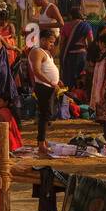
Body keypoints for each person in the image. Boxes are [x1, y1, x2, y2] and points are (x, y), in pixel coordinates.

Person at [27, 26, 60, 157]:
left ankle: (42, 140)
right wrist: (50, 82)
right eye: (50, 42)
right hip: (43, 87)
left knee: (48, 114)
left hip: (49, 87)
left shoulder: (45, 52)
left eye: (53, 42)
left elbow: (47, 69)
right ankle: (41, 143)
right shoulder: (37, 52)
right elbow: (37, 71)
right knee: (44, 115)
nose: (52, 45)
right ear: (43, 40)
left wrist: (57, 81)